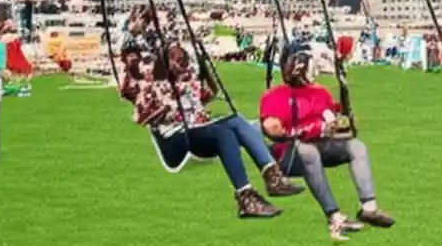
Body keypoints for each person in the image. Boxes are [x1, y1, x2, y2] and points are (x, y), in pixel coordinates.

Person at [118, 27, 303, 219]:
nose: (180, 63)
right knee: (223, 132)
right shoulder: (149, 86)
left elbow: (210, 94)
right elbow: (142, 113)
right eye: (175, 58)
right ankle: (246, 198)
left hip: (197, 130)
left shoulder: (186, 82)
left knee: (235, 120)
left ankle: (272, 177)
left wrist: (204, 67)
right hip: (175, 140)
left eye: (182, 58)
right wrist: (167, 106)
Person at [260, 44, 394, 242]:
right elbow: (273, 130)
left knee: (356, 146)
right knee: (308, 152)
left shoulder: (319, 93)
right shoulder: (274, 96)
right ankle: (334, 216)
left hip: (321, 147)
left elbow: (339, 121)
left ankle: (369, 208)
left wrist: (343, 115)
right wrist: (315, 129)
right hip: (289, 156)